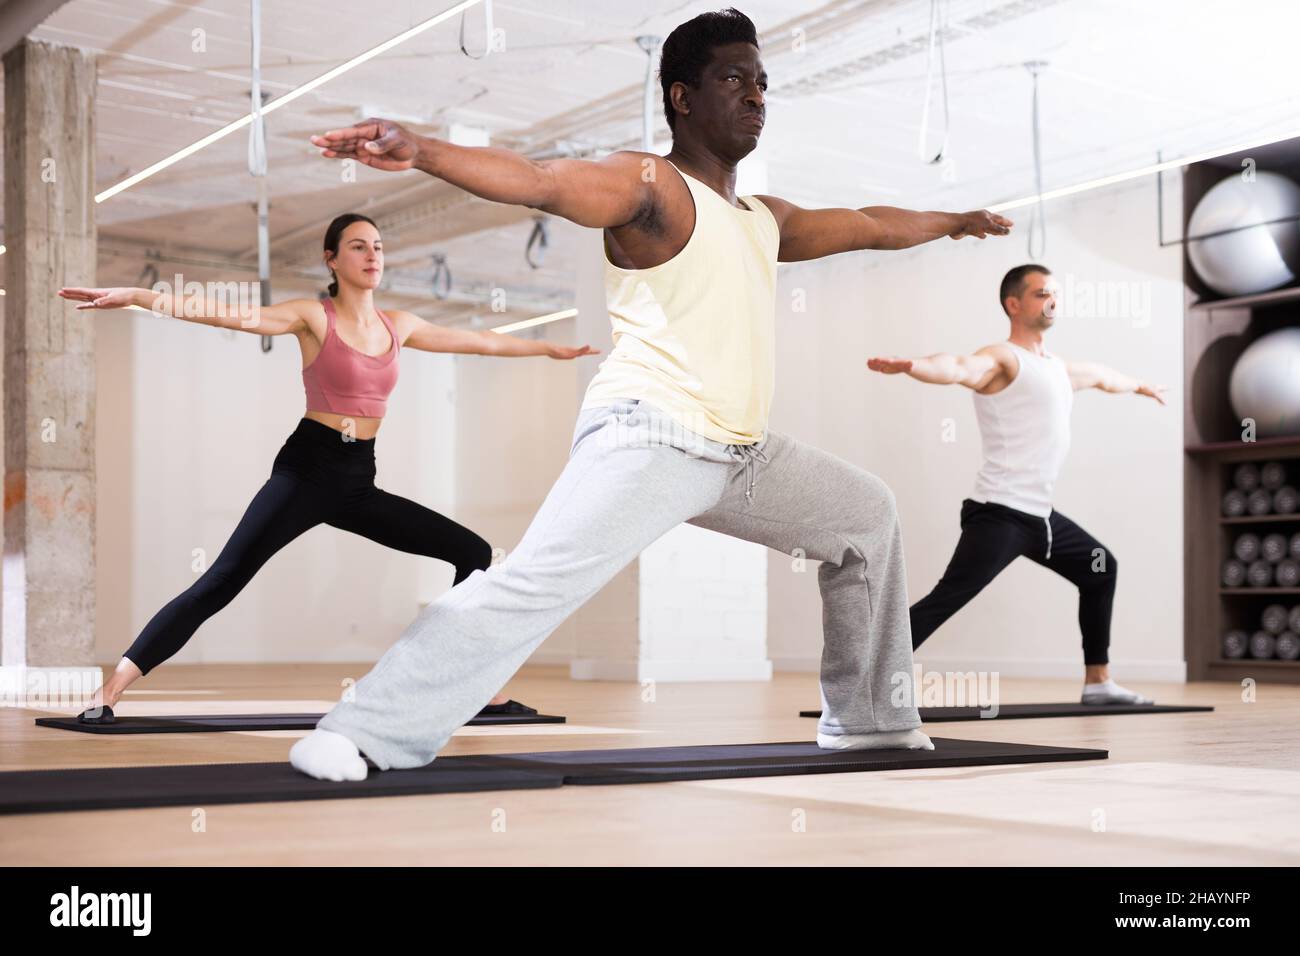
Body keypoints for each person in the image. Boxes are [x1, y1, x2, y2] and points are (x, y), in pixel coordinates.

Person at [289, 7, 1012, 781]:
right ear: (682, 97)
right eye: (734, 79)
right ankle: (361, 730)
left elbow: (869, 224)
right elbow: (541, 182)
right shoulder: (651, 187)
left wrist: (951, 220)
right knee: (536, 581)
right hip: (651, 435)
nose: (756, 95)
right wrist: (424, 149)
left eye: (763, 82)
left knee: (866, 518)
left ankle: (869, 724)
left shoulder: (763, 219)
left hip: (741, 453)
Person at [57, 212, 596, 723]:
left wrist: (550, 349)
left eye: (378, 247)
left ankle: (478, 689)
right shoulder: (313, 316)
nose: (372, 255)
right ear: (331, 259)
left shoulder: (398, 325)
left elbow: (478, 342)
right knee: (223, 580)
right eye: (359, 246)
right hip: (306, 472)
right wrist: (136, 296)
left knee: (474, 554)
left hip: (359, 481)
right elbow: (225, 312)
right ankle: (108, 693)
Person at [866, 263, 1166, 704]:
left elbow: (1102, 377)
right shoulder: (1004, 359)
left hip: (1041, 517)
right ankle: (863, 671)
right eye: (1043, 293)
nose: (1053, 301)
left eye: (1056, 293)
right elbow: (958, 366)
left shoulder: (1057, 368)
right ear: (1014, 303)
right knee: (949, 596)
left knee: (1101, 568)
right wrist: (914, 366)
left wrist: (1139, 385)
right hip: (1000, 512)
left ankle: (1098, 682)